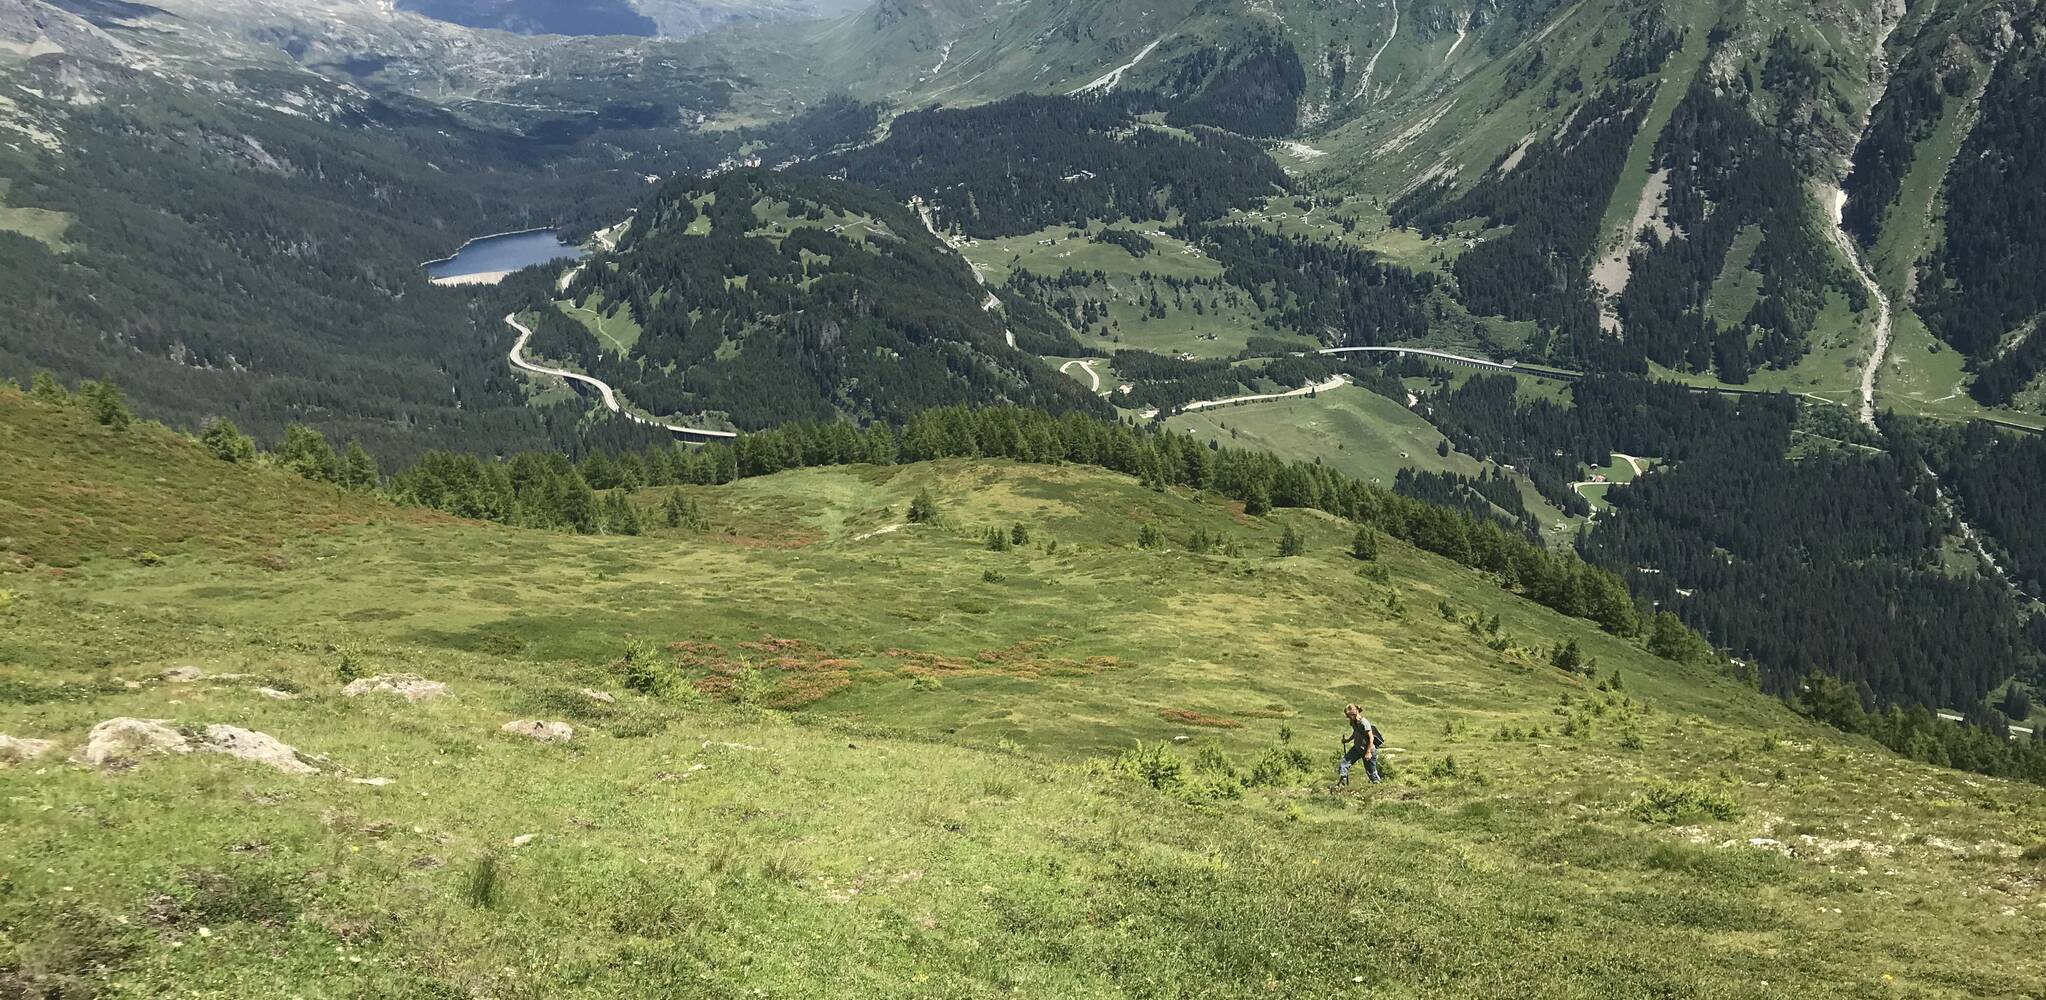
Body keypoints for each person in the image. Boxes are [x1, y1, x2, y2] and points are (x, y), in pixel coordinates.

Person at [1337, 703, 1381, 786]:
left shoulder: (1364, 723)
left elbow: (1371, 737)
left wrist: (1368, 752)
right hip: (1357, 749)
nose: (1349, 717)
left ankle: (1379, 787)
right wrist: (1347, 740)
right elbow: (1356, 732)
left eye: (1350, 715)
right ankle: (1342, 784)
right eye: (1348, 716)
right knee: (1343, 763)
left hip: (1368, 750)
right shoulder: (1353, 722)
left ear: (1355, 713)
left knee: (1371, 772)